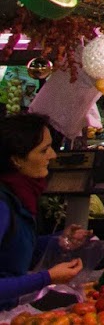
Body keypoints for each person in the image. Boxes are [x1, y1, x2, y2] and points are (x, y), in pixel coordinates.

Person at [0, 115, 84, 310]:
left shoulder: (19, 195)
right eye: (44, 150)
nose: (53, 155)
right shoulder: (2, 204)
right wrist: (47, 278)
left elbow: (11, 249)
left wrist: (59, 241)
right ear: (17, 160)